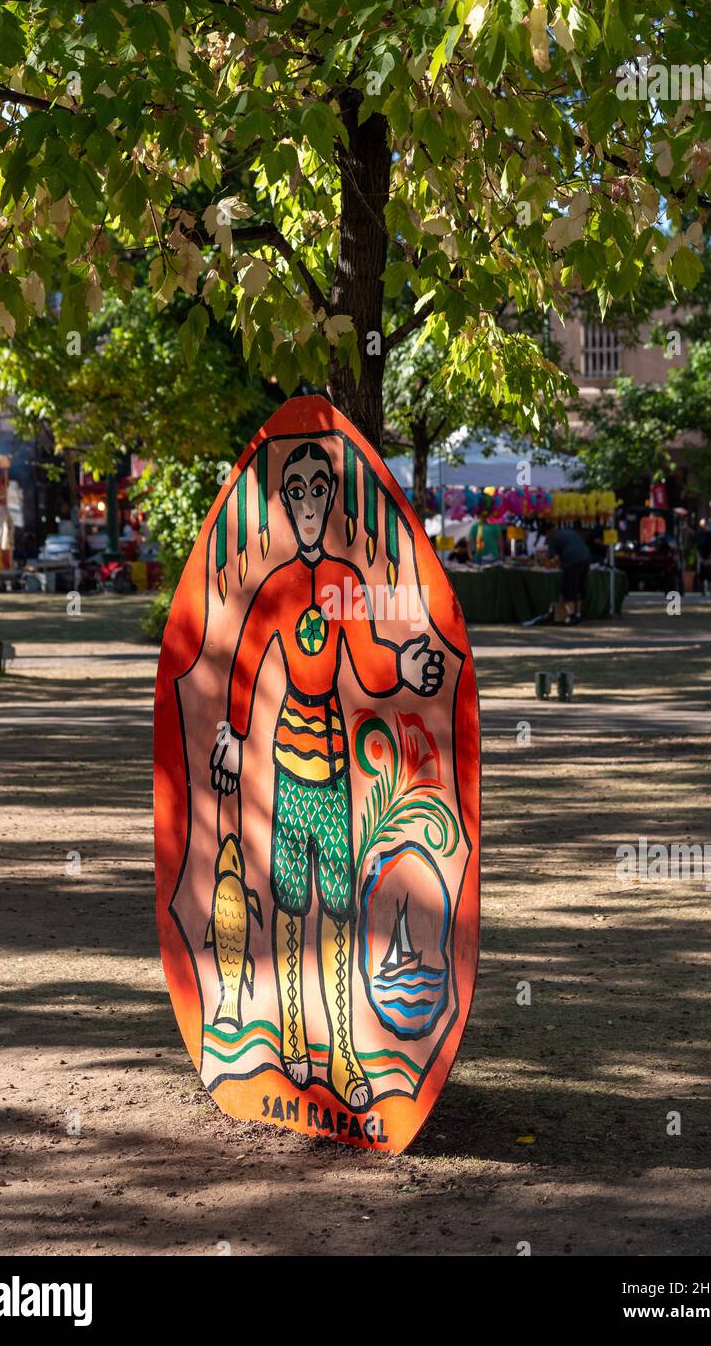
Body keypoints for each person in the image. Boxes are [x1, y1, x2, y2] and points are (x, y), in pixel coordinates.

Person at [209, 441, 444, 1112]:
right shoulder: (279, 586)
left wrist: (405, 671)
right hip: (287, 758)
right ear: (285, 504)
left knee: (337, 910)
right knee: (288, 908)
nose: (309, 503)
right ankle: (290, 1043)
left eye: (319, 490)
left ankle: (340, 1049)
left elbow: (369, 662)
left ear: (330, 500)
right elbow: (246, 660)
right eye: (297, 492)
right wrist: (232, 734)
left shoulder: (344, 579)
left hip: (336, 766)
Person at [545, 521, 592, 626]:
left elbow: (553, 557)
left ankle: (571, 615)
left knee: (568, 588)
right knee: (580, 586)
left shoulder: (553, 537)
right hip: (586, 557)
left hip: (572, 561)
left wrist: (557, 565)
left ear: (548, 532)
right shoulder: (569, 532)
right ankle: (578, 614)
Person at [695, 519, 711, 596]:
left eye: (703, 525)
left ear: (707, 525)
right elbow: (698, 549)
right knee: (702, 577)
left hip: (710, 559)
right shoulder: (700, 536)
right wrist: (700, 559)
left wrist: (710, 559)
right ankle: (703, 594)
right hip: (702, 559)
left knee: (710, 578)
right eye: (701, 525)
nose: (702, 526)